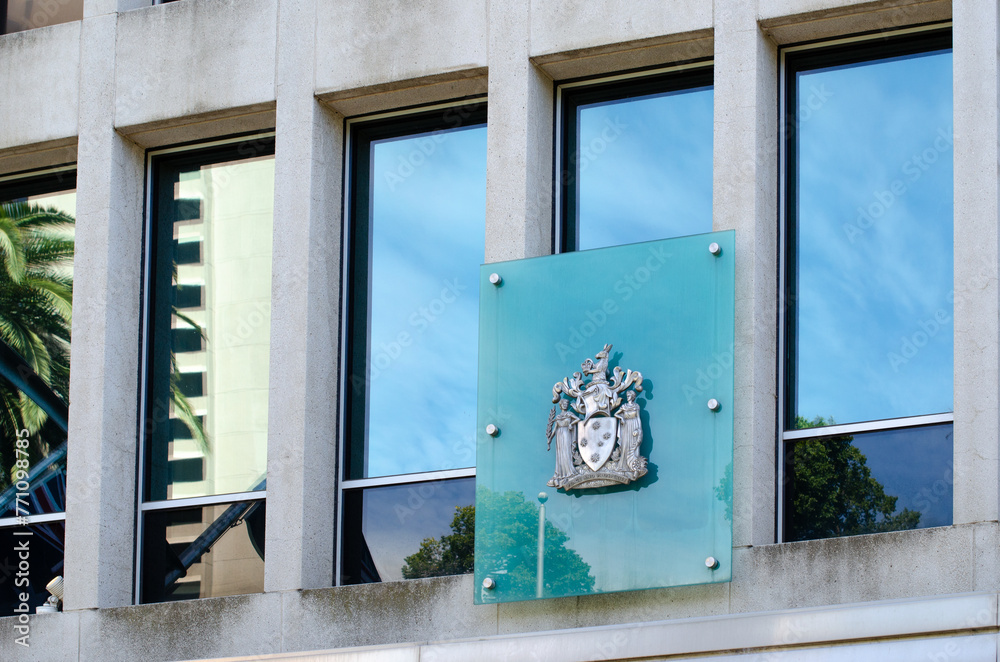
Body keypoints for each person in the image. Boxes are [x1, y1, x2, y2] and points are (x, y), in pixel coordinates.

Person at [614, 390, 646, 479]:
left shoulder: (636, 406)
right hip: (626, 426)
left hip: (634, 425)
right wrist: (622, 418)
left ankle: (634, 467)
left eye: (629, 395)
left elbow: (638, 418)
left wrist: (639, 429)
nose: (628, 397)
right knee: (625, 445)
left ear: (632, 396)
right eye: (627, 395)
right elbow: (616, 414)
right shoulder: (624, 406)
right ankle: (624, 466)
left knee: (634, 445)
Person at [548, 399, 579, 488]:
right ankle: (560, 474)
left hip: (566, 434)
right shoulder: (557, 417)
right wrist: (550, 438)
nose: (565, 405)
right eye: (564, 404)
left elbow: (577, 419)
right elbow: (555, 428)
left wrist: (571, 424)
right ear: (561, 405)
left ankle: (569, 472)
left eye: (567, 404)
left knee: (566, 452)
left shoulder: (569, 414)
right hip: (559, 435)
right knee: (560, 454)